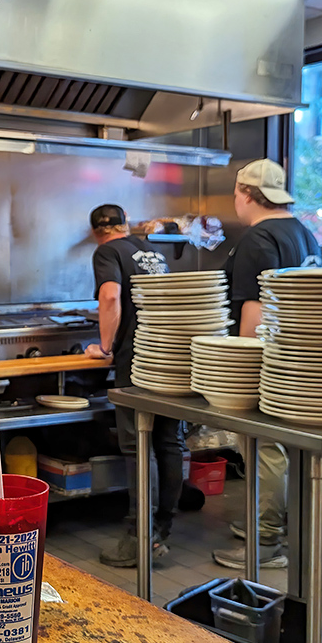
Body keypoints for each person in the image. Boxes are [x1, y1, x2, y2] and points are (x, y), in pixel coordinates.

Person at [212, 159, 322, 570]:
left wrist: (240, 372)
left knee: (264, 447)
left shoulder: (257, 239)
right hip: (303, 356)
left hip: (269, 360)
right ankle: (282, 529)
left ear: (244, 194)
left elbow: (253, 315)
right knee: (287, 447)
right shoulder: (304, 233)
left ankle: (266, 544)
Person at [84, 204, 185, 568]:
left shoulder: (106, 251)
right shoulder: (151, 252)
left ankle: (139, 536)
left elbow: (110, 296)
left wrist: (106, 347)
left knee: (138, 444)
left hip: (138, 360)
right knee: (169, 441)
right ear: (125, 225)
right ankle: (161, 530)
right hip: (169, 355)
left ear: (97, 231)